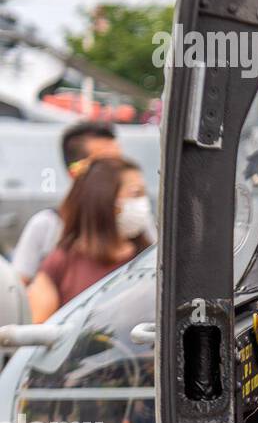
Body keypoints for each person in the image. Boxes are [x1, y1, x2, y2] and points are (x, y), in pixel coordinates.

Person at [9, 121, 155, 284]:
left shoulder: (137, 224)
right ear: (76, 172)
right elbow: (18, 289)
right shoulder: (47, 227)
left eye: (120, 163)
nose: (119, 173)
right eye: (105, 166)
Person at [26, 157, 152, 322]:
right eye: (136, 194)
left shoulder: (150, 260)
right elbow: (37, 331)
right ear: (105, 200)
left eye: (144, 194)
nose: (143, 202)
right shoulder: (60, 263)